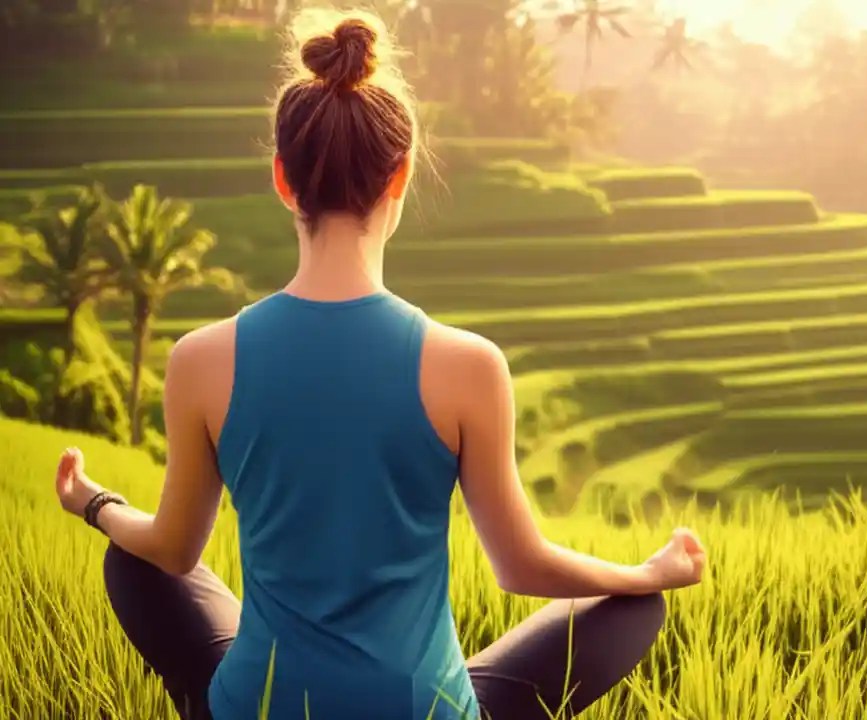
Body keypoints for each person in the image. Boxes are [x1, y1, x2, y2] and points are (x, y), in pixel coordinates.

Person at [52, 8, 707, 720]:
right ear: (399, 177)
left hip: (262, 706)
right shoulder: (468, 366)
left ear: (282, 178)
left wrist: (95, 502)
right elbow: (521, 567)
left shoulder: (201, 360)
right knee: (637, 609)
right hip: (418, 708)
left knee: (133, 558)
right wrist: (647, 572)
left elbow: (174, 550)